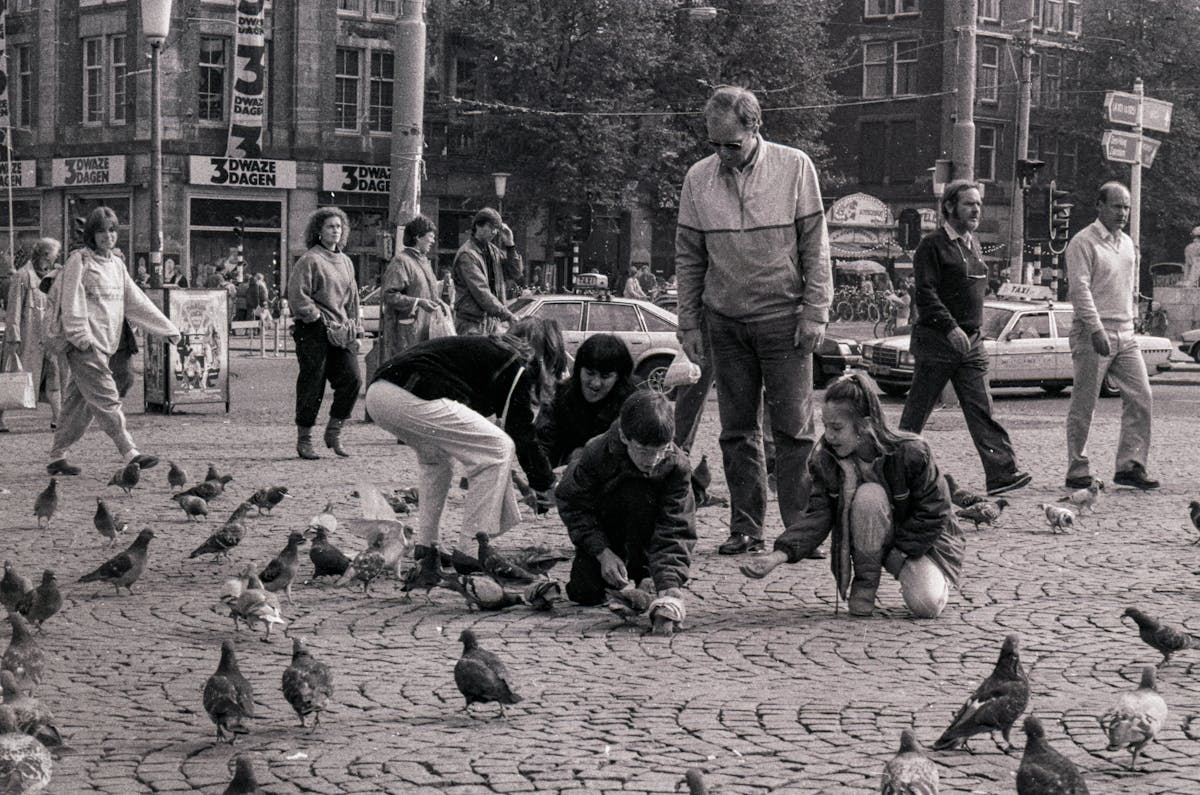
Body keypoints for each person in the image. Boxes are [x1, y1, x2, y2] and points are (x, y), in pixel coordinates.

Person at [675, 85, 833, 556]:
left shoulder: (795, 166)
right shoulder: (697, 179)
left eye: (732, 144)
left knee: (793, 430)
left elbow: (815, 246)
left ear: (755, 127)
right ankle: (745, 527)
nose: (723, 155)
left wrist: (815, 312)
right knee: (735, 430)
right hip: (724, 321)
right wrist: (688, 325)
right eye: (714, 144)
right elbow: (689, 257)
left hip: (784, 320)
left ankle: (800, 529)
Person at [740, 373, 965, 619]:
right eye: (825, 425)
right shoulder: (827, 461)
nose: (828, 436)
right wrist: (777, 556)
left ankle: (929, 576)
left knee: (926, 605)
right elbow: (817, 517)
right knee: (870, 496)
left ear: (865, 425)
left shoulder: (911, 452)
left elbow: (936, 511)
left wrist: (899, 553)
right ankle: (865, 585)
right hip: (878, 538)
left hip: (922, 544)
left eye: (837, 428)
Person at [365, 317, 567, 582]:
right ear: (548, 353)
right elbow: (521, 434)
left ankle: (428, 548)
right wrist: (546, 483)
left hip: (381, 394)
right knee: (498, 448)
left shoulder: (490, 352)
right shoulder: (518, 363)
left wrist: (529, 482)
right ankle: (471, 548)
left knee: (436, 462)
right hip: (410, 394)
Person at [897, 180, 1030, 497]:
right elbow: (925, 294)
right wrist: (950, 327)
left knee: (981, 407)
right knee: (918, 411)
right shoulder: (933, 245)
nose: (976, 210)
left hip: (971, 342)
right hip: (938, 341)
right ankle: (894, 469)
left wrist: (971, 330)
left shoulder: (973, 244)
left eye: (979, 205)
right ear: (949, 207)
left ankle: (1001, 473)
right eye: (969, 204)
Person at [45, 207, 180, 476]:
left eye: (112, 230)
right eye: (101, 231)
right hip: (85, 344)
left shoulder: (116, 264)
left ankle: (57, 456)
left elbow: (136, 301)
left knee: (77, 404)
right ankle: (131, 452)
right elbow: (70, 302)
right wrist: (81, 338)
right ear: (91, 235)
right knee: (107, 397)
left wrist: (167, 329)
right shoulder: (79, 261)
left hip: (106, 343)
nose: (108, 236)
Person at [557, 390, 696, 606]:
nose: (652, 460)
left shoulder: (677, 465)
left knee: (655, 589)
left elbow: (676, 526)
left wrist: (668, 581)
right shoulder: (596, 453)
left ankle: (647, 572)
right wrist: (602, 552)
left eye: (661, 450)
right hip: (606, 534)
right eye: (642, 450)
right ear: (624, 437)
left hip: (650, 540)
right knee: (585, 591)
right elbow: (574, 505)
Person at [1063, 182, 1158, 491]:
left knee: (1141, 396)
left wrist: (1133, 320)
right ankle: (1078, 469)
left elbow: (1127, 287)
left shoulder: (1128, 243)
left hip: (1125, 332)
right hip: (1094, 332)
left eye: (1127, 207)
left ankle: (1130, 465)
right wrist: (1095, 329)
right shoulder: (1083, 242)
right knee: (1085, 401)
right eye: (1117, 206)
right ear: (1099, 206)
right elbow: (1080, 290)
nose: (1123, 213)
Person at [287, 206, 361, 460]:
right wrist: (313, 315)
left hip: (341, 331)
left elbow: (353, 300)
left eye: (339, 227)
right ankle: (304, 439)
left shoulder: (347, 262)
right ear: (318, 231)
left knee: (352, 379)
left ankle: (334, 431)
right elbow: (297, 295)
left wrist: (356, 328)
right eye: (330, 226)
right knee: (313, 383)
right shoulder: (310, 259)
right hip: (313, 331)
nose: (335, 231)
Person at [537, 332, 637, 468]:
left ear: (619, 377)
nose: (595, 383)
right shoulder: (562, 395)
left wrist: (590, 454)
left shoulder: (634, 404)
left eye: (605, 376)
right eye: (590, 373)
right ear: (579, 370)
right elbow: (544, 443)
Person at [1, 239, 67, 432]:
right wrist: (13, 337)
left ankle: (58, 419)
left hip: (49, 337)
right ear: (45, 255)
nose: (56, 257)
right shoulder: (22, 276)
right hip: (27, 337)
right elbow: (13, 309)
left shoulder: (53, 277)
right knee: (13, 378)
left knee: (54, 379)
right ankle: (0, 417)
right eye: (54, 254)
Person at [374, 215, 449, 372]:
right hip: (405, 336)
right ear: (418, 237)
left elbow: (425, 292)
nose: (433, 241)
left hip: (421, 333)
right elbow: (389, 295)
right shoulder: (401, 261)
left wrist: (438, 302)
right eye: (430, 236)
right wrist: (418, 302)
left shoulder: (422, 261)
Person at [451, 207, 522, 335]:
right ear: (478, 225)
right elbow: (481, 292)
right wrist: (508, 315)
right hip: (471, 324)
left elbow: (515, 272)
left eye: (497, 228)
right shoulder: (467, 255)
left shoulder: (493, 251)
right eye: (491, 227)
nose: (494, 232)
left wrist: (510, 245)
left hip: (491, 322)